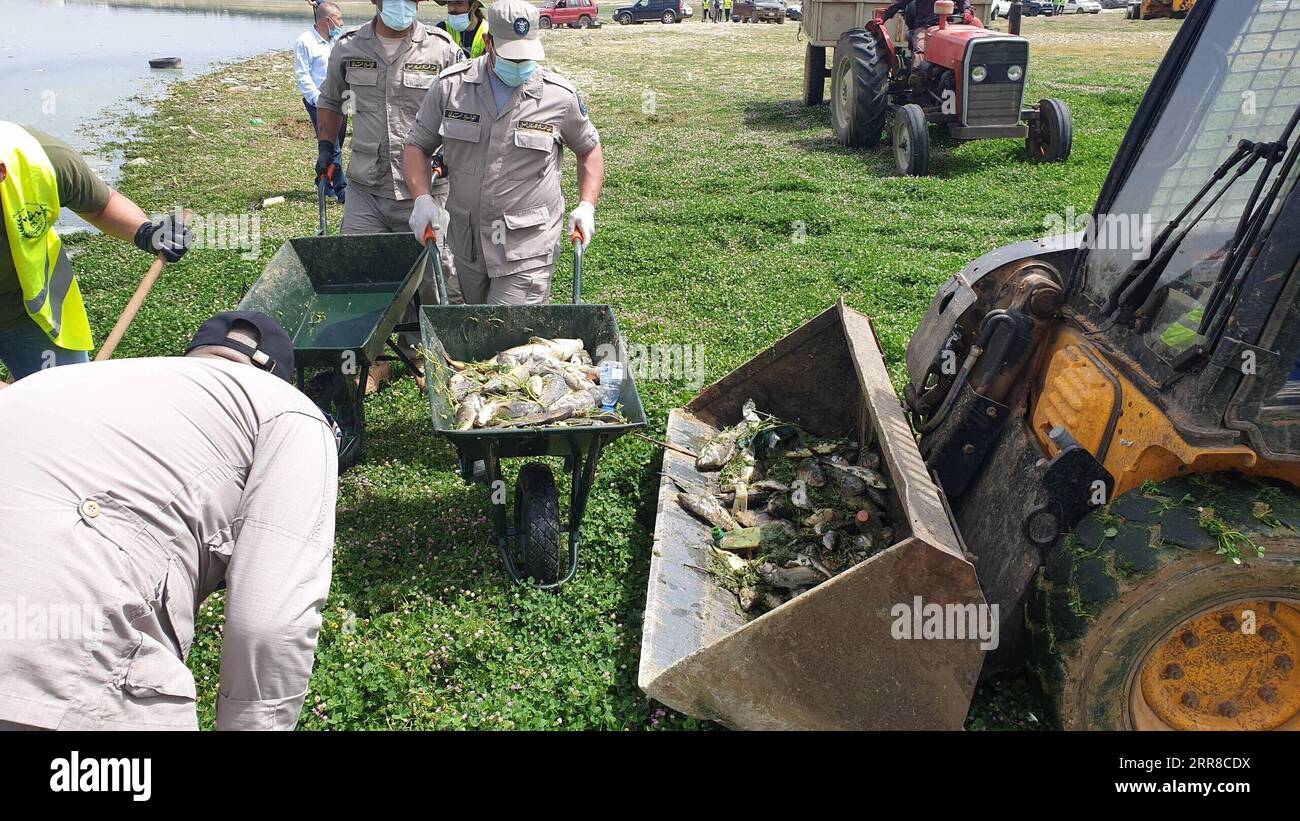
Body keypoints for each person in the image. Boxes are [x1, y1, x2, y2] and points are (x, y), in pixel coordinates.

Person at [0, 312, 338, 730]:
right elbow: (269, 624)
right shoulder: (288, 411)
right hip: (63, 669)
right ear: (278, 377)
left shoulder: (53, 383)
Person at [403, 0, 605, 305]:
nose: (521, 64)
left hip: (527, 249)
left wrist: (587, 205)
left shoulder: (559, 97)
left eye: (527, 55)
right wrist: (422, 199)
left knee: (506, 337)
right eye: (512, 55)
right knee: (478, 326)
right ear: (489, 43)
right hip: (468, 243)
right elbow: (417, 145)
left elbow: (589, 149)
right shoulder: (451, 88)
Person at [314, 0, 462, 387]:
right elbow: (330, 101)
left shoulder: (442, 48)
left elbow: (462, 108)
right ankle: (374, 358)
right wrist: (327, 147)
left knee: (435, 274)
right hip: (367, 185)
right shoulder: (349, 46)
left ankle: (432, 356)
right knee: (361, 273)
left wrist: (451, 152)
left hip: (429, 186)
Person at [0, 121, 190, 383]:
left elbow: (100, 206)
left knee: (67, 402)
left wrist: (146, 233)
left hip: (27, 312)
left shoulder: (42, 160)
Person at [296, 2, 348, 204]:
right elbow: (303, 76)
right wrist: (319, 101)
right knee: (332, 146)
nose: (342, 23)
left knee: (337, 145)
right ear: (328, 20)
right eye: (339, 19)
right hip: (319, 102)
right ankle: (342, 190)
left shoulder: (338, 41)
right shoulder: (305, 41)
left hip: (341, 100)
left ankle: (323, 180)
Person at [883, 0, 970, 66]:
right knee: (920, 48)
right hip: (924, 26)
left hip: (947, 28)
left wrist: (967, 11)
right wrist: (884, 17)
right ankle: (917, 77)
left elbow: (964, 2)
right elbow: (900, 2)